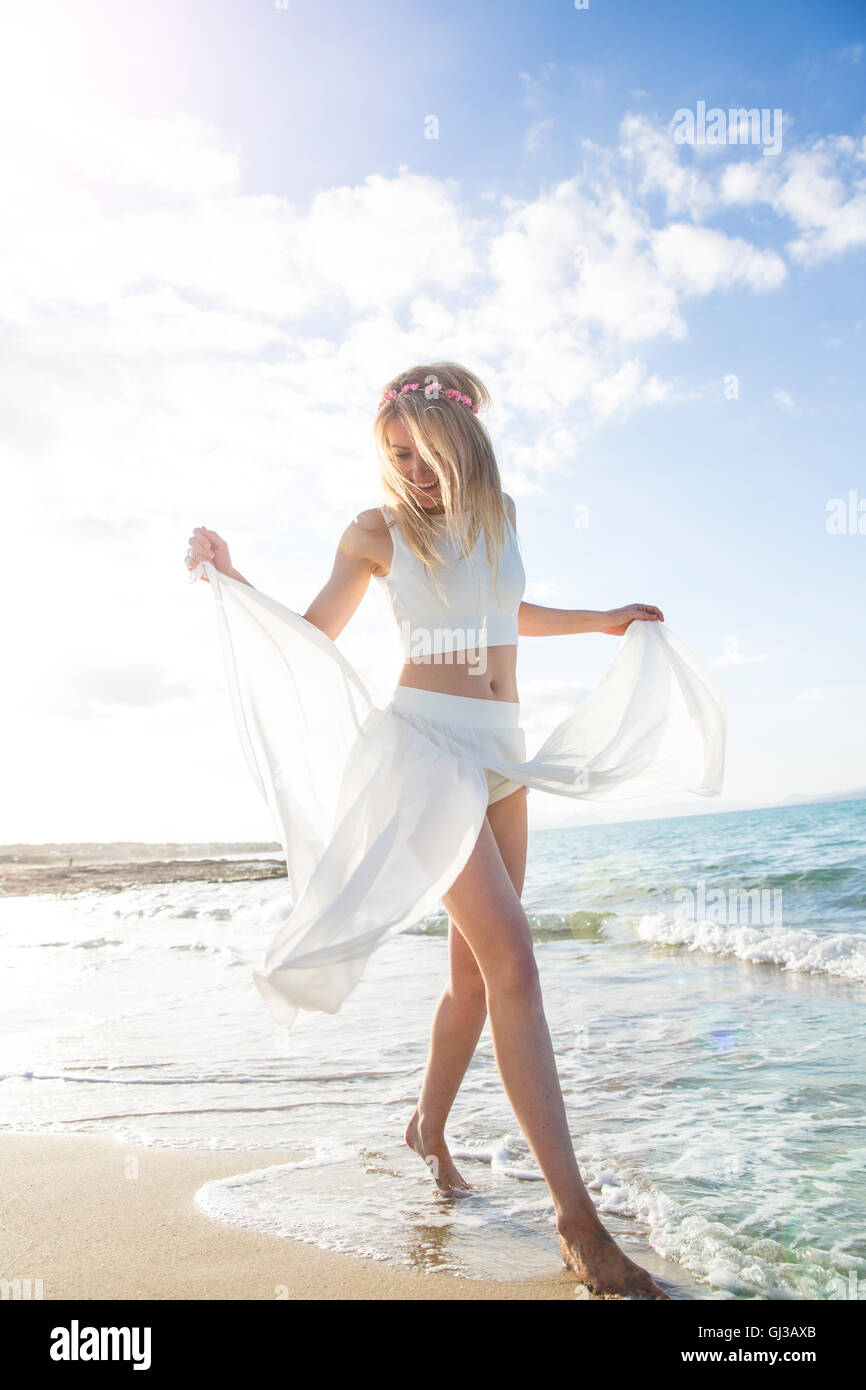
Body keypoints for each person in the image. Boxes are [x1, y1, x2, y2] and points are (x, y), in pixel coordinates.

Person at [184, 362, 726, 1298]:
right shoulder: (374, 532)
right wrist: (236, 582)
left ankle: (425, 1127)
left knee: (475, 982)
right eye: (399, 455)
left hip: (502, 756)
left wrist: (601, 621)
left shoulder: (502, 515)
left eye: (429, 454)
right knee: (517, 960)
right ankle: (578, 1224)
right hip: (426, 753)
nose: (416, 471)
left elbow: (500, 611)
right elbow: (314, 636)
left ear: (465, 444)